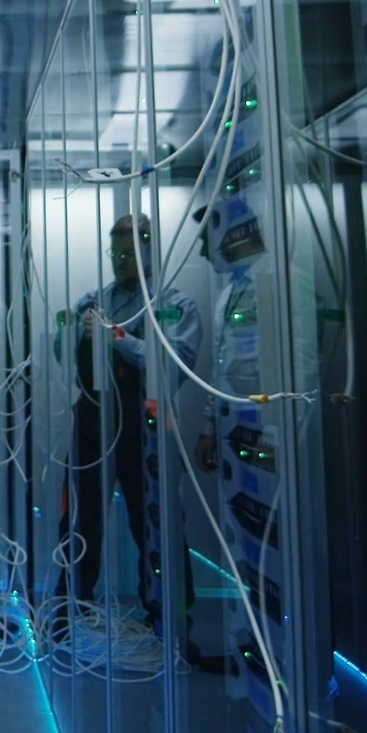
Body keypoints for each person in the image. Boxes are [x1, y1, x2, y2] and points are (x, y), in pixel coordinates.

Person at [59, 214, 207, 639]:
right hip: (92, 423)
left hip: (146, 426)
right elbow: (67, 361)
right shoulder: (91, 301)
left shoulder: (173, 304)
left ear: (149, 249)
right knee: (79, 521)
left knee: (156, 524)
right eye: (115, 253)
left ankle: (170, 618)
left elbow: (173, 369)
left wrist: (121, 339)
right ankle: (72, 609)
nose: (121, 261)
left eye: (129, 252)